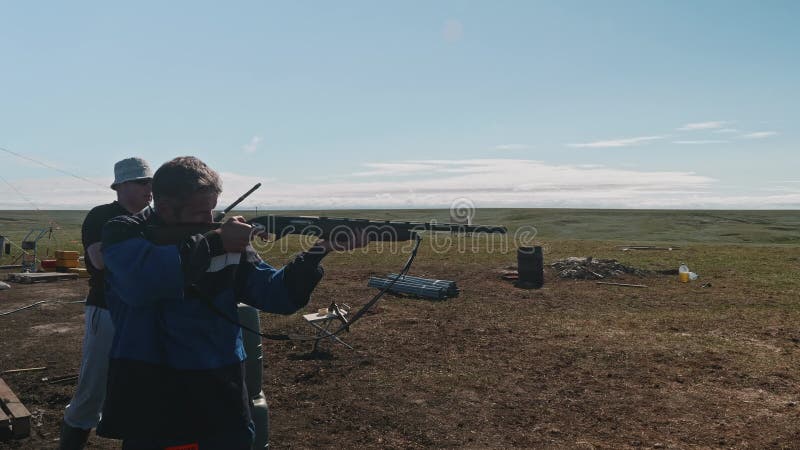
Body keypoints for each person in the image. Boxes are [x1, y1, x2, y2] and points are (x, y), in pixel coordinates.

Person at [95, 156, 367, 449]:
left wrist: (320, 249)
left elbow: (277, 295)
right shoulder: (124, 232)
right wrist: (215, 243)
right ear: (164, 208)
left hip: (221, 385)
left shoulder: (221, 240)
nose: (210, 220)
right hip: (155, 390)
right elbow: (142, 284)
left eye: (212, 210)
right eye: (201, 212)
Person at [60, 157, 153, 450]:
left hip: (145, 313)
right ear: (121, 185)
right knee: (93, 388)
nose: (149, 189)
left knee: (142, 390)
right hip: (107, 310)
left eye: (151, 183)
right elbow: (100, 262)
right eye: (142, 182)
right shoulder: (101, 216)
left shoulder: (156, 219)